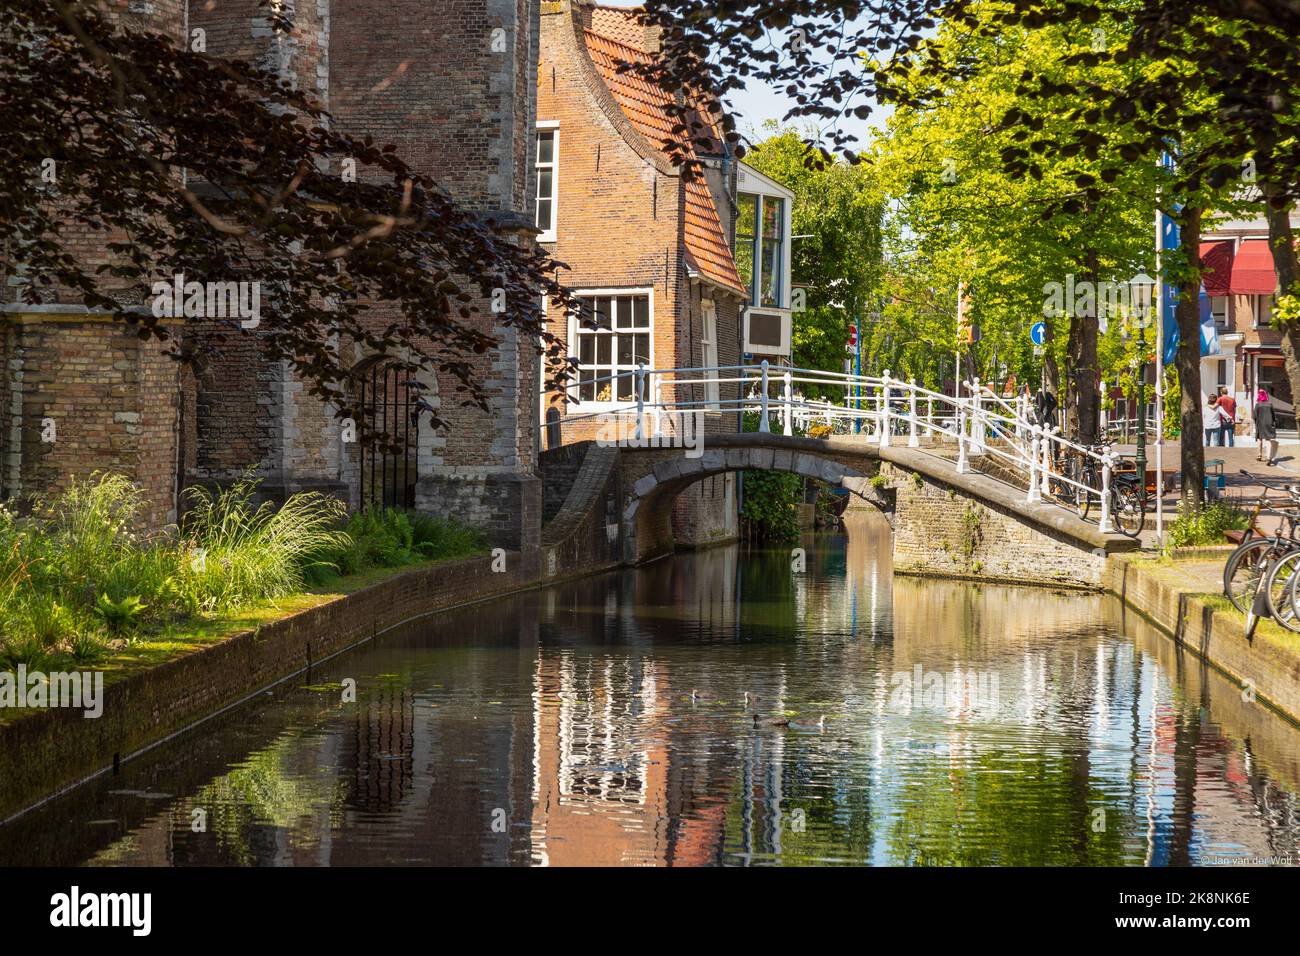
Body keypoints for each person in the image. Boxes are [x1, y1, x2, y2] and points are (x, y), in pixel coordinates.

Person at [1254, 388, 1279, 466]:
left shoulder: (1257, 405)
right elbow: (1274, 415)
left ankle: (1259, 455)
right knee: (1268, 439)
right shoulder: (1270, 404)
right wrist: (1274, 422)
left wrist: (1256, 423)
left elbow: (1255, 416)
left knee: (1259, 439)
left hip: (1260, 424)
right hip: (1269, 423)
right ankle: (1268, 457)